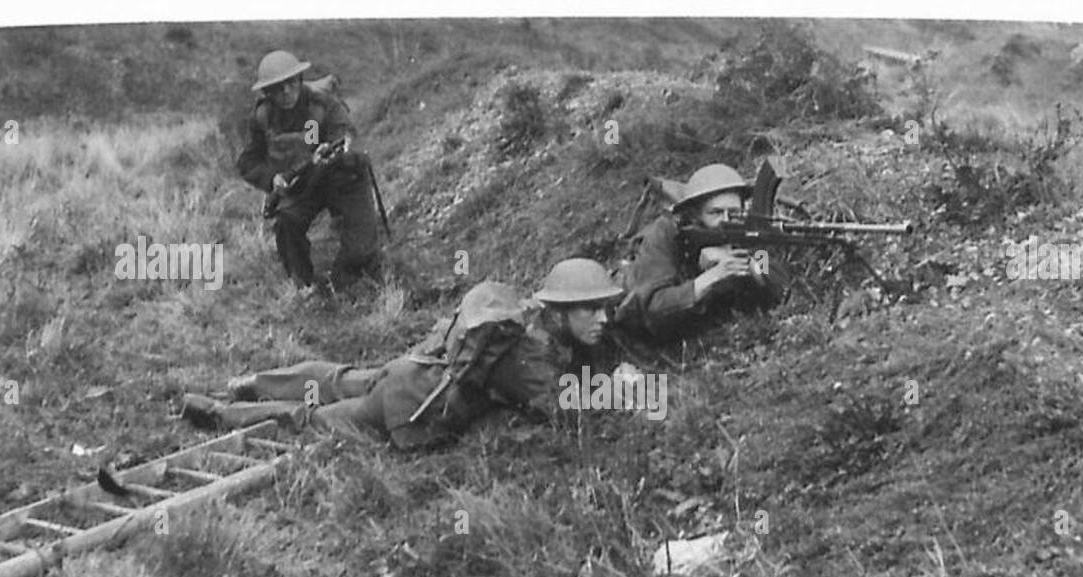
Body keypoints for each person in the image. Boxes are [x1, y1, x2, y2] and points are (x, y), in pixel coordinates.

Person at [179, 259, 625, 449]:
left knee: (337, 378)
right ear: (560, 312)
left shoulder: (525, 317)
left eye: (605, 308)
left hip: (411, 368)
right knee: (310, 420)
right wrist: (618, 392)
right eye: (591, 309)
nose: (602, 319)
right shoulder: (529, 359)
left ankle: (254, 382)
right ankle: (220, 413)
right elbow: (571, 415)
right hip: (408, 404)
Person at [236, 50, 382, 291]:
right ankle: (304, 288)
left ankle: (344, 284)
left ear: (299, 80)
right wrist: (272, 180)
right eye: (277, 88)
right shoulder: (263, 117)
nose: (285, 92)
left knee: (360, 251)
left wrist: (335, 153)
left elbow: (348, 139)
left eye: (290, 83)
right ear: (267, 92)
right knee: (286, 224)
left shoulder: (325, 104)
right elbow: (248, 161)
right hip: (304, 184)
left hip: (343, 178)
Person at [615, 163, 790, 341]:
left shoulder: (747, 232)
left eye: (734, 212)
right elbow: (652, 310)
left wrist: (750, 264)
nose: (726, 220)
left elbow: (780, 287)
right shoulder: (664, 234)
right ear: (694, 215)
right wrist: (712, 277)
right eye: (716, 213)